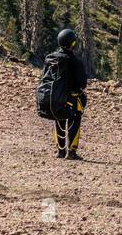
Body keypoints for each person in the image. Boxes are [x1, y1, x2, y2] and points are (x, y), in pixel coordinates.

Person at [36, 28, 89, 160]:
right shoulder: (74, 61)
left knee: (59, 118)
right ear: (73, 44)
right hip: (69, 99)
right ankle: (71, 152)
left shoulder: (50, 58)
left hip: (53, 98)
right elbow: (82, 83)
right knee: (76, 116)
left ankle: (60, 151)